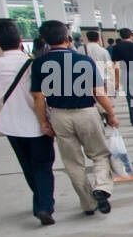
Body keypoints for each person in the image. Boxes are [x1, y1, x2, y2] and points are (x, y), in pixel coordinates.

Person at [30, 20, 118, 216]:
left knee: (73, 163)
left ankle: (88, 204)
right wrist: (111, 114)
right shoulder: (83, 61)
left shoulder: (39, 63)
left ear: (45, 40)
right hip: (86, 112)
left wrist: (43, 122)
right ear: (66, 38)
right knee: (100, 154)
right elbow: (98, 92)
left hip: (59, 115)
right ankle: (101, 187)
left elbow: (38, 97)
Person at [0, 18, 56, 225]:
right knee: (43, 165)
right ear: (20, 40)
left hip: (11, 125)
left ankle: (40, 200)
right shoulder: (34, 63)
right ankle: (44, 205)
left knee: (28, 166)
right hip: (37, 123)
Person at [109, 28, 133, 125]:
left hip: (125, 74)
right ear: (131, 35)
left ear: (120, 36)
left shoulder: (116, 47)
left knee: (131, 99)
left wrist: (117, 80)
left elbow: (115, 63)